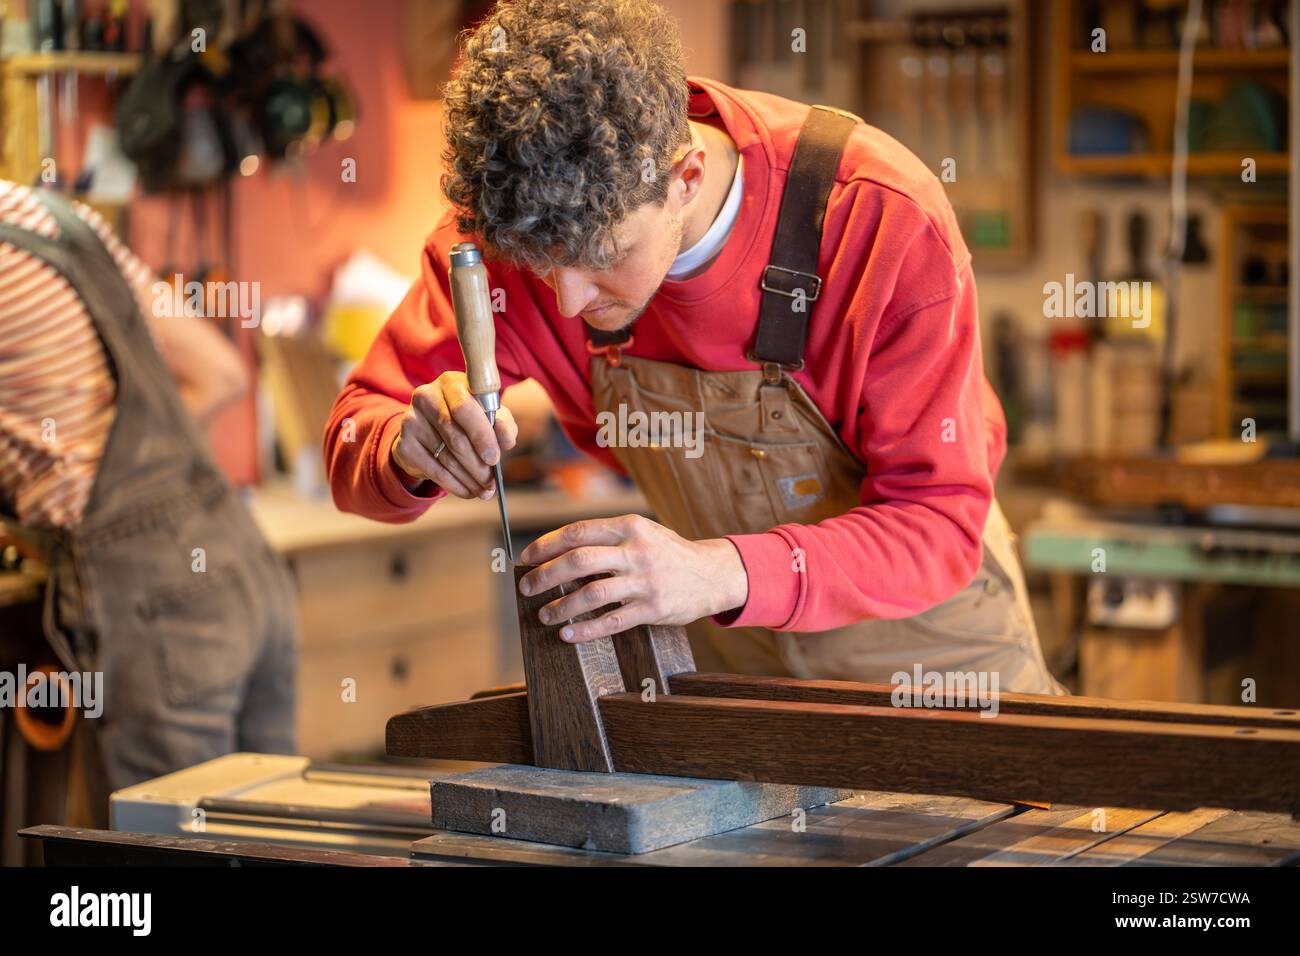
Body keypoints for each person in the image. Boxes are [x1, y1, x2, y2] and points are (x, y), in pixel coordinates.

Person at [324, 0, 1065, 695]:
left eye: (603, 254)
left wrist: (717, 574)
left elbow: (934, 526)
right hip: (740, 681)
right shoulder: (506, 229)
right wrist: (406, 452)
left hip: (936, 669)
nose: (567, 302)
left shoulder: (879, 220)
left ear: (685, 178)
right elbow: (356, 430)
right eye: (540, 267)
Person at [0, 180, 298, 810]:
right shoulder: (55, 220)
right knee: (271, 843)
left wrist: (100, 496)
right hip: (246, 568)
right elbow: (220, 374)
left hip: (156, 610)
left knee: (151, 867)